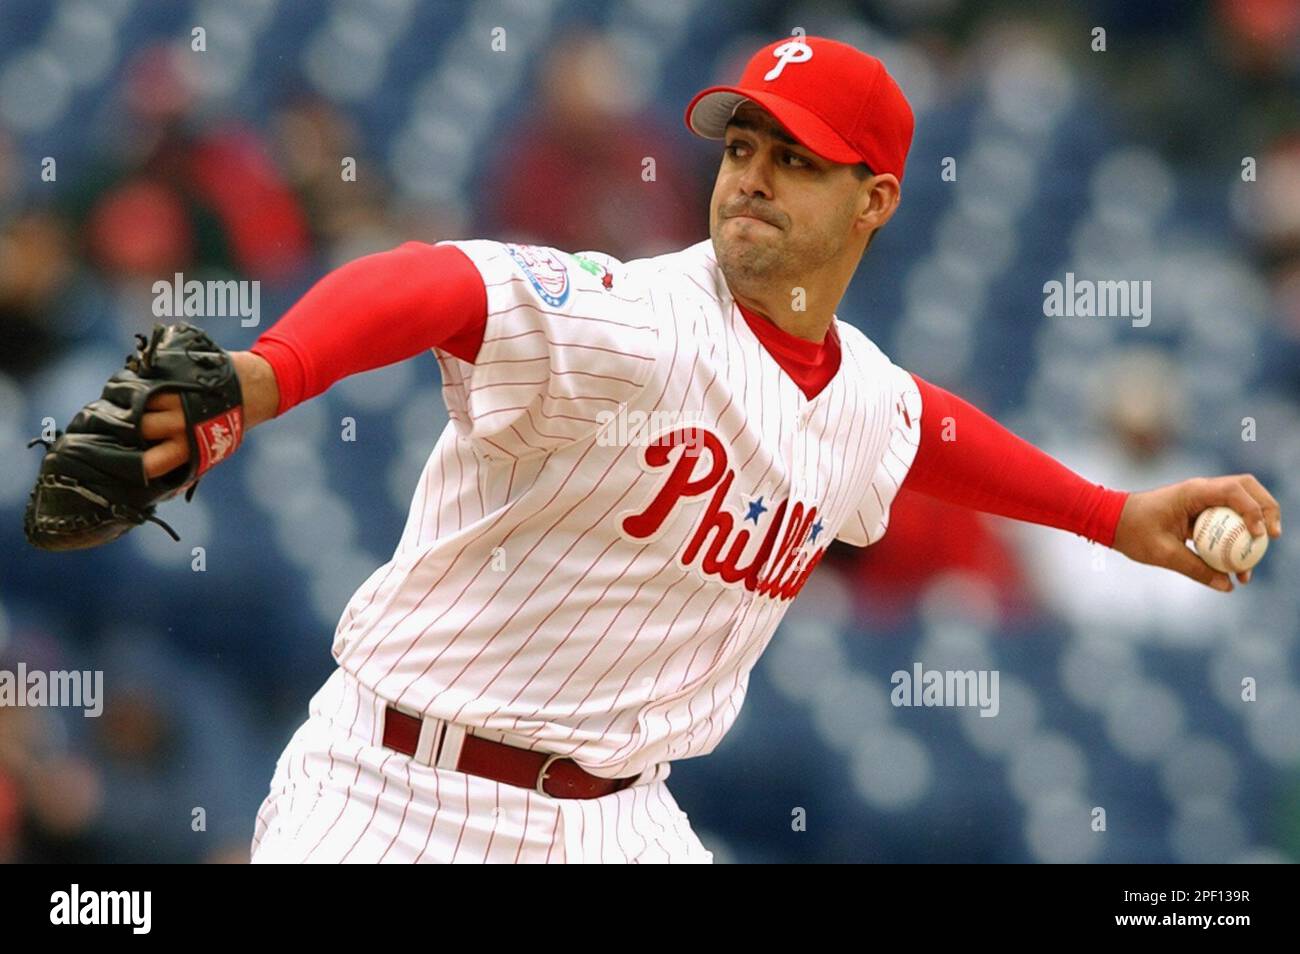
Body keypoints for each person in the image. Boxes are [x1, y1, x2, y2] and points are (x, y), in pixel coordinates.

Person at [135, 36, 1282, 863]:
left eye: (796, 158)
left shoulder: (858, 393)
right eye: (744, 145)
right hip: (399, 795)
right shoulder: (631, 319)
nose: (752, 175)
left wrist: (1111, 515)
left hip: (618, 818)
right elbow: (439, 280)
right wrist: (267, 376)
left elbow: (920, 427)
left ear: (875, 198)